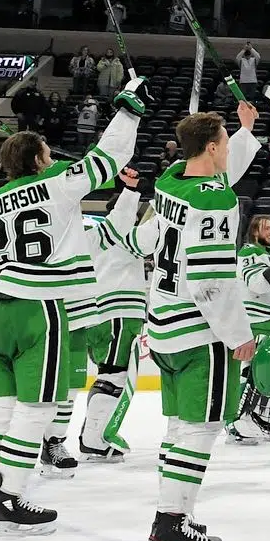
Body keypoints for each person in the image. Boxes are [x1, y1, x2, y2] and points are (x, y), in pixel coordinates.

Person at [0, 75, 148, 539]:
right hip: (38, 308)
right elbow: (107, 158)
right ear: (41, 159)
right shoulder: (56, 186)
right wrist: (128, 109)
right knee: (36, 409)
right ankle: (12, 497)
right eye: (48, 152)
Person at [124, 102, 262, 541]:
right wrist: (237, 333)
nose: (228, 151)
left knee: (180, 429)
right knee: (200, 430)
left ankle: (176, 515)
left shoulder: (168, 183)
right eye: (224, 142)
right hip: (199, 332)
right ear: (210, 147)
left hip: (163, 325)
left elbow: (222, 172)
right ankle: (169, 528)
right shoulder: (214, 199)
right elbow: (211, 280)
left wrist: (242, 131)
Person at [76, 171, 148, 461]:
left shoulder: (94, 236)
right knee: (115, 376)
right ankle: (94, 438)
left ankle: (92, 435)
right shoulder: (124, 236)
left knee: (107, 374)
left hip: (98, 312)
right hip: (118, 313)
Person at [231, 213, 270, 444]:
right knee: (251, 373)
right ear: (254, 231)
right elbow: (257, 283)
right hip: (254, 321)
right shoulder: (249, 252)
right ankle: (236, 422)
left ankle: (261, 418)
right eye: (266, 228)